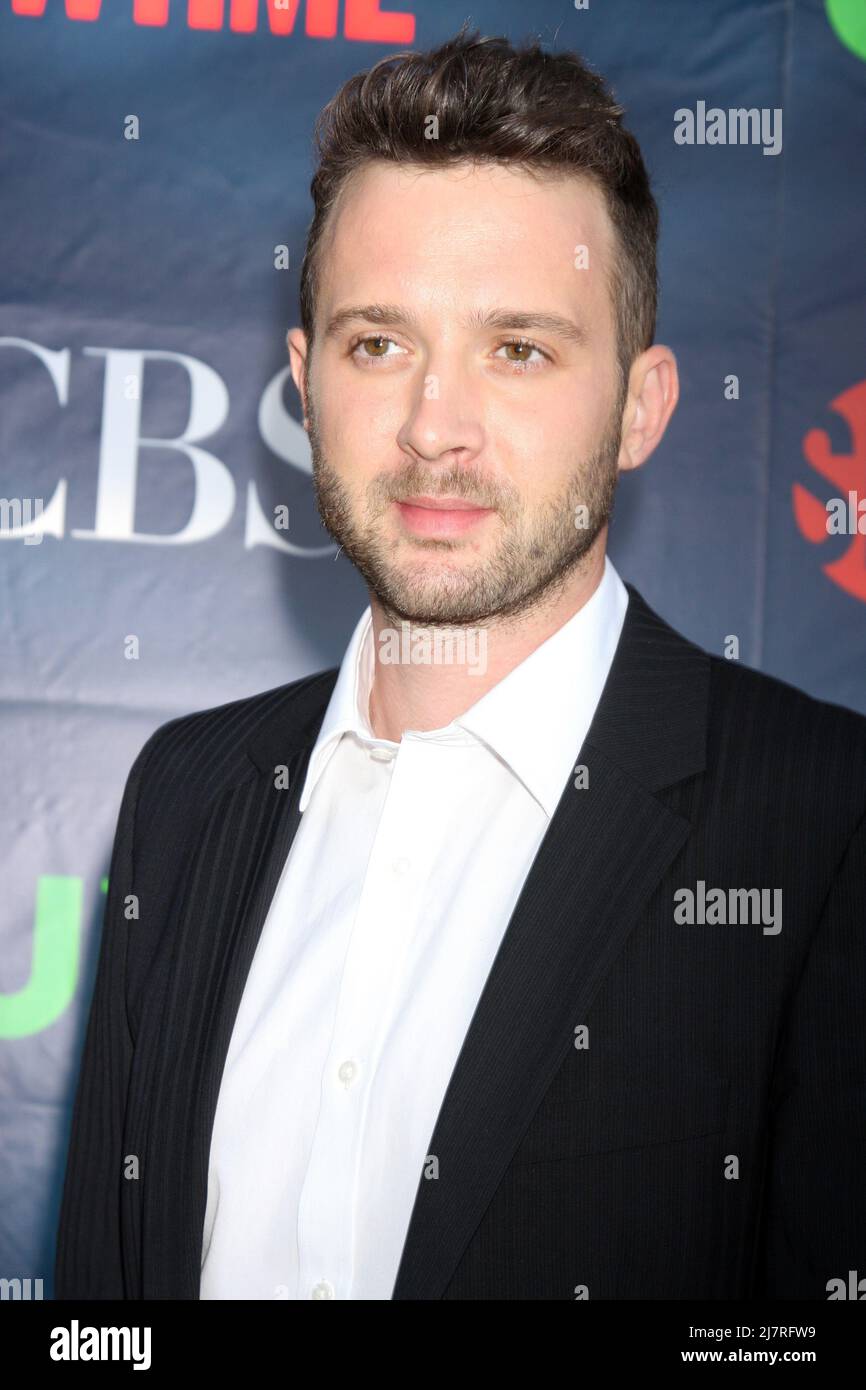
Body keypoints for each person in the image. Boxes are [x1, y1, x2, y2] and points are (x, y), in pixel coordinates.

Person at [55, 26, 866, 1301]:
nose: (437, 427)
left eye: (519, 348)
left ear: (641, 407)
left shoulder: (822, 820)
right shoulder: (186, 791)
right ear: (304, 382)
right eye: (378, 342)